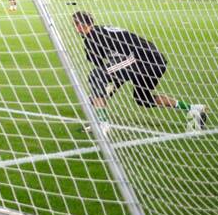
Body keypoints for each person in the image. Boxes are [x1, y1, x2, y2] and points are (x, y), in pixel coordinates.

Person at [72, 11, 206, 134]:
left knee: (96, 76)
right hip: (155, 60)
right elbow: (116, 70)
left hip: (142, 60)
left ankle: (103, 123)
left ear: (81, 25)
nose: (75, 28)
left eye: (75, 24)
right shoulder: (101, 30)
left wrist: (102, 93)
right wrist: (105, 91)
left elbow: (106, 70)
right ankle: (194, 108)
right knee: (143, 99)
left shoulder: (93, 37)